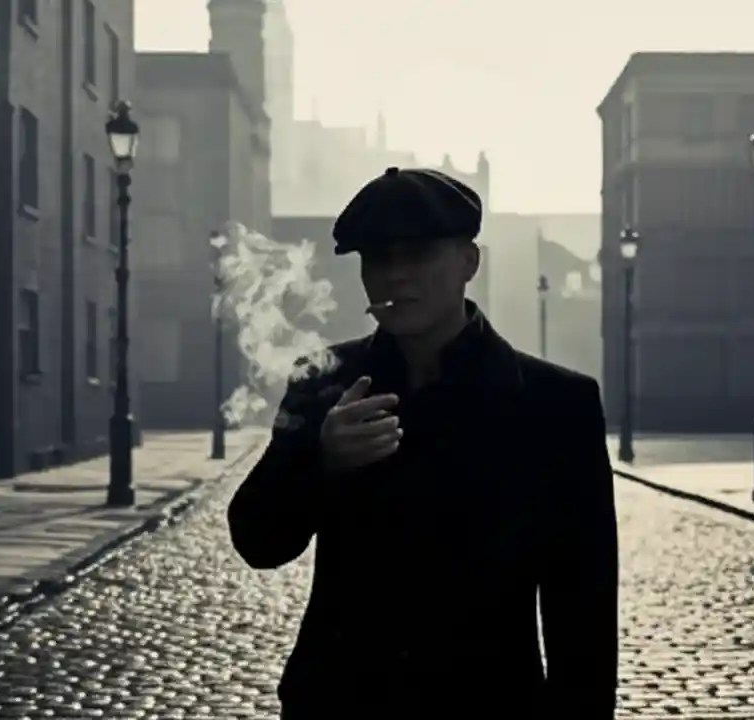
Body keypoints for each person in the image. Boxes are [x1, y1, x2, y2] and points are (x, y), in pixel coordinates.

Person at [227, 166, 618, 719]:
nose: (396, 276)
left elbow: (583, 605)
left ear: (468, 262)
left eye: (418, 255)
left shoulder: (554, 404)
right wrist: (321, 464)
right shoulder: (323, 382)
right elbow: (258, 541)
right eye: (378, 259)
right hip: (342, 705)